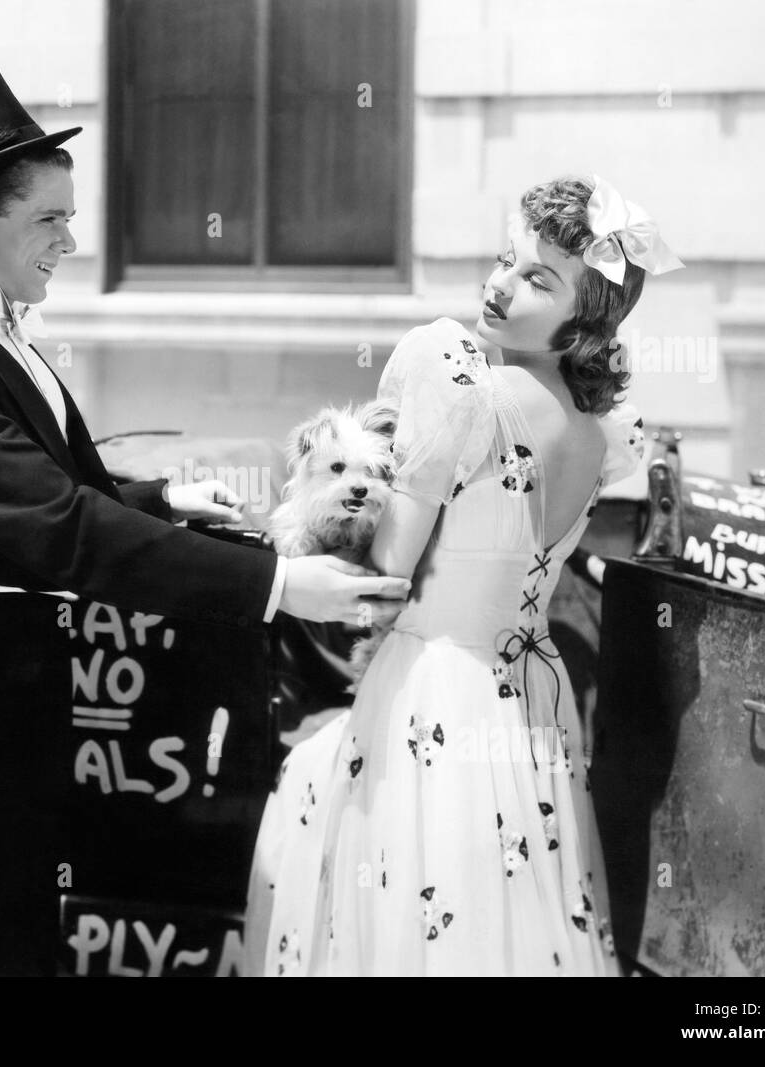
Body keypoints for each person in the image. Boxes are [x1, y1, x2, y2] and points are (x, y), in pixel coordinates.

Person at [0, 65, 411, 977]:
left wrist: (158, 498)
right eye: (50, 220)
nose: (70, 238)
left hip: (8, 704)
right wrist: (277, 584)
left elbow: (43, 485)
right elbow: (58, 530)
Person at [243, 175, 683, 976]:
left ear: (584, 318)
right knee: (506, 912)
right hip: (530, 698)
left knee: (399, 899)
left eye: (537, 280)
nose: (502, 285)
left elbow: (388, 567)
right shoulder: (597, 430)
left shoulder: (464, 385)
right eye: (506, 261)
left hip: (434, 687)